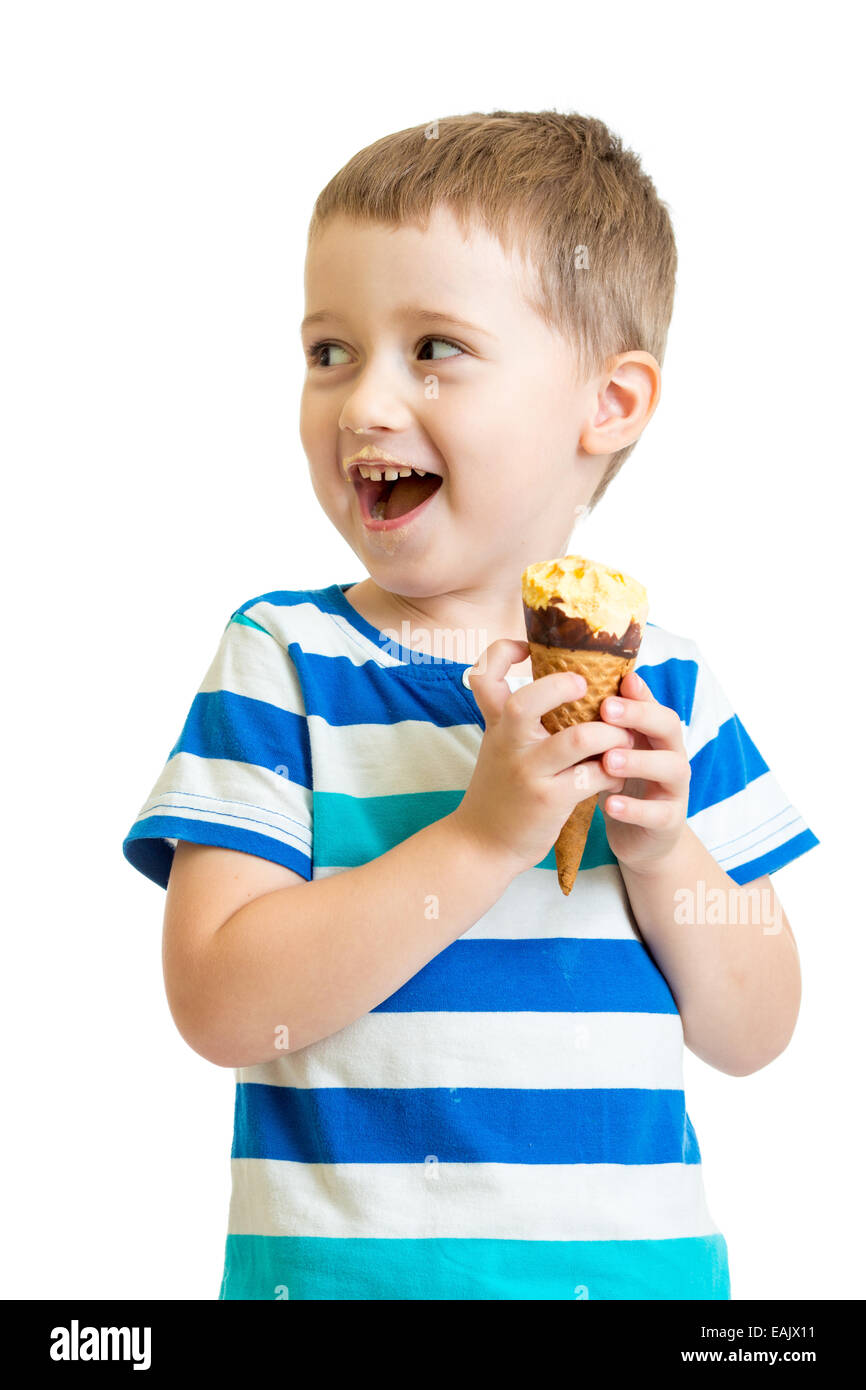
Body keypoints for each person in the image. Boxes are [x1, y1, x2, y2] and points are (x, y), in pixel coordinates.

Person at [122, 111, 819, 1301]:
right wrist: (484, 834)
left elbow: (753, 1033)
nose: (361, 403)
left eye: (433, 346)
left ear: (608, 402)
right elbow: (223, 1004)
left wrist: (662, 853)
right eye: (329, 351)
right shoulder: (285, 658)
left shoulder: (670, 689)